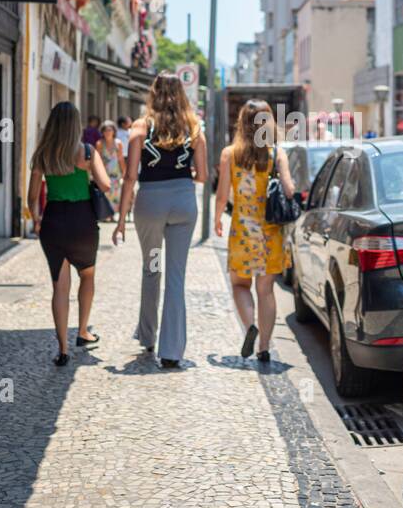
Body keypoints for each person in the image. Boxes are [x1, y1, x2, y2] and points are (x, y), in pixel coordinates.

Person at [113, 74, 207, 368]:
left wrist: (120, 219)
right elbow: (203, 176)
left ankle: (147, 336)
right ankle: (172, 352)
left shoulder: (139, 128)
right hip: (183, 203)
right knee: (176, 277)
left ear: (152, 94)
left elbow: (130, 177)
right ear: (182, 95)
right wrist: (181, 180)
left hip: (150, 204)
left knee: (152, 268)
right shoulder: (195, 129)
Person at [27, 102, 113, 366]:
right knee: (87, 275)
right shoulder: (87, 152)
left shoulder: (43, 155)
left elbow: (32, 198)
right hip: (82, 221)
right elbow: (106, 185)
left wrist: (38, 220)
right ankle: (83, 331)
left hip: (54, 221)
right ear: (76, 124)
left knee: (59, 287)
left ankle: (62, 348)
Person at [213, 100, 296, 364]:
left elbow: (222, 194)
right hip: (271, 233)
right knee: (266, 291)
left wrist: (216, 218)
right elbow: (290, 190)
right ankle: (263, 348)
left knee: (240, 285)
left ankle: (249, 324)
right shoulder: (276, 153)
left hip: (242, 231)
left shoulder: (230, 154)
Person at [96, 121, 127, 217]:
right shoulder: (100, 144)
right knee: (105, 193)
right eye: (105, 130)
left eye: (110, 130)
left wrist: (124, 173)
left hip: (115, 173)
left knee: (115, 194)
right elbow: (97, 159)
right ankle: (107, 214)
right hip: (104, 173)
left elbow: (121, 159)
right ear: (102, 132)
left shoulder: (118, 143)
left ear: (114, 131)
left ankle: (112, 214)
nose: (108, 132)